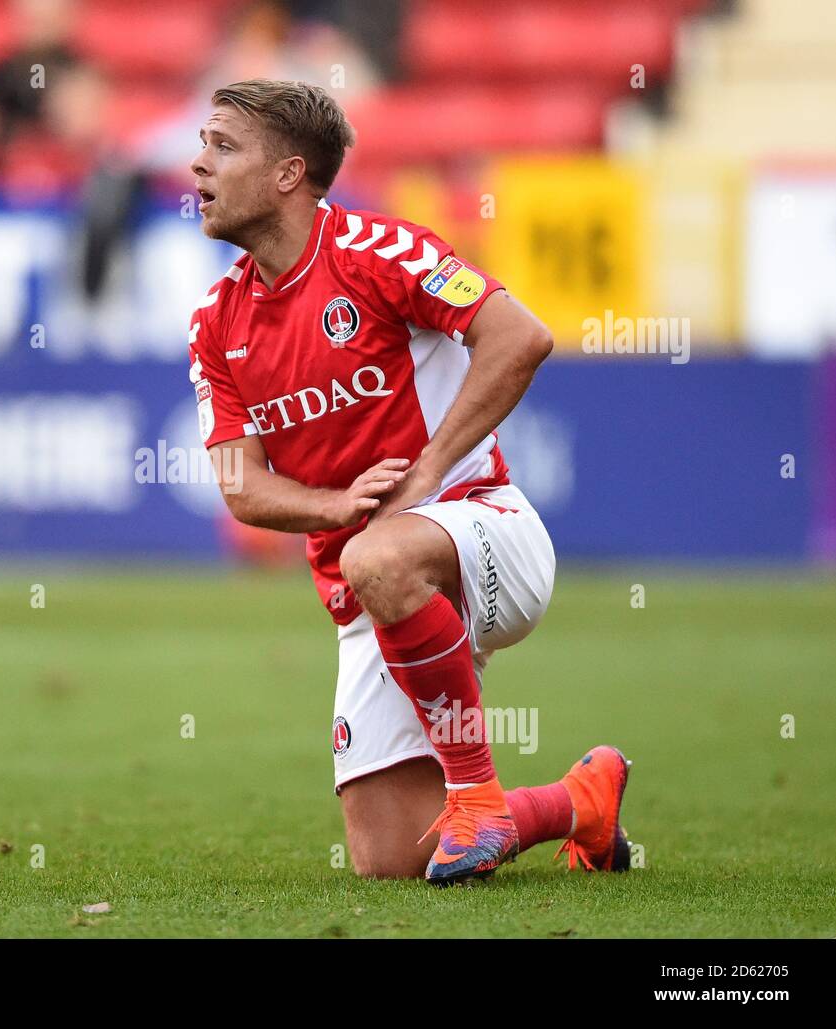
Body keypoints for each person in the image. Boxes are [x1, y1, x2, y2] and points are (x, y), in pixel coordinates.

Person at [187, 78, 631, 884]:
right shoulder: (216, 320)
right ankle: (580, 803)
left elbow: (520, 337)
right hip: (372, 592)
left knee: (376, 556)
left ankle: (476, 793)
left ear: (288, 173)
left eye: (222, 146)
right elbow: (239, 485)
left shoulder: (379, 252)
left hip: (480, 528)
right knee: (394, 859)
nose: (197, 165)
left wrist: (427, 471)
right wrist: (334, 505)